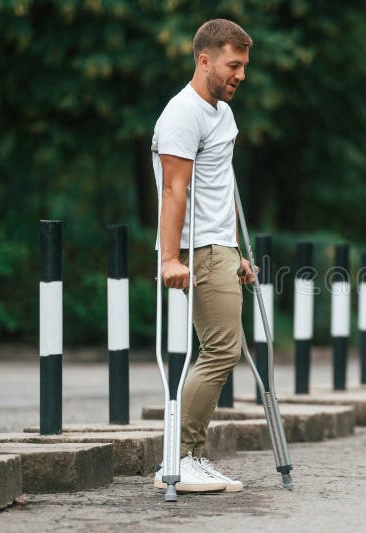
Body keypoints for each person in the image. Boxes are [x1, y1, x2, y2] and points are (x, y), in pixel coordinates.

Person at [151, 18, 255, 493]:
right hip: (199, 251)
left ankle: (190, 454)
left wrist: (239, 253)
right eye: (233, 65)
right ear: (205, 59)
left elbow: (221, 190)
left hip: (222, 248)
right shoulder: (182, 114)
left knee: (222, 350)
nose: (240, 75)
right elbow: (175, 189)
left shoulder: (222, 115)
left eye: (244, 67)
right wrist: (170, 259)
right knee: (220, 351)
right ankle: (179, 455)